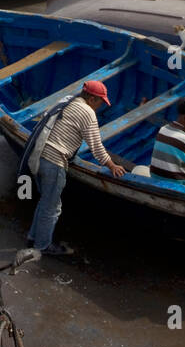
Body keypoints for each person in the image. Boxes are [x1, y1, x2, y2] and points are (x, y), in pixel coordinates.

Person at [26, 79, 125, 255]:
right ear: (93, 99)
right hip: (54, 162)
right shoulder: (87, 112)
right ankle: (41, 246)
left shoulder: (68, 101)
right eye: (101, 102)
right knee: (52, 207)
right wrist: (112, 165)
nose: (101, 106)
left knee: (45, 202)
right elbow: (96, 146)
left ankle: (33, 237)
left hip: (39, 155)